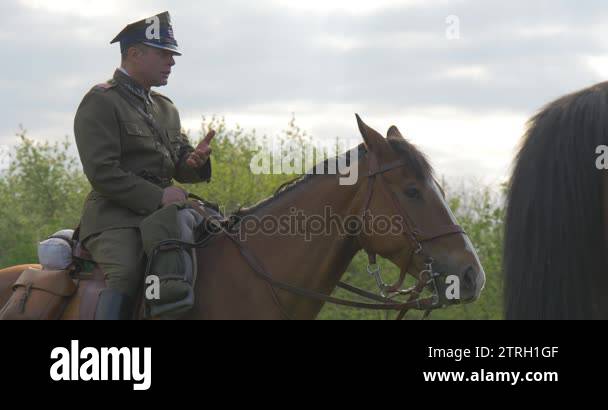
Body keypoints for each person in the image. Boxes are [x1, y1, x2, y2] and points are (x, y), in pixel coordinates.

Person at [74, 11, 214, 319]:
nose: (172, 62)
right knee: (126, 272)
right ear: (134, 53)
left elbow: (179, 164)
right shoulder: (101, 101)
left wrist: (194, 163)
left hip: (166, 215)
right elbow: (102, 172)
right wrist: (159, 196)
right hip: (116, 219)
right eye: (164, 54)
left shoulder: (166, 109)